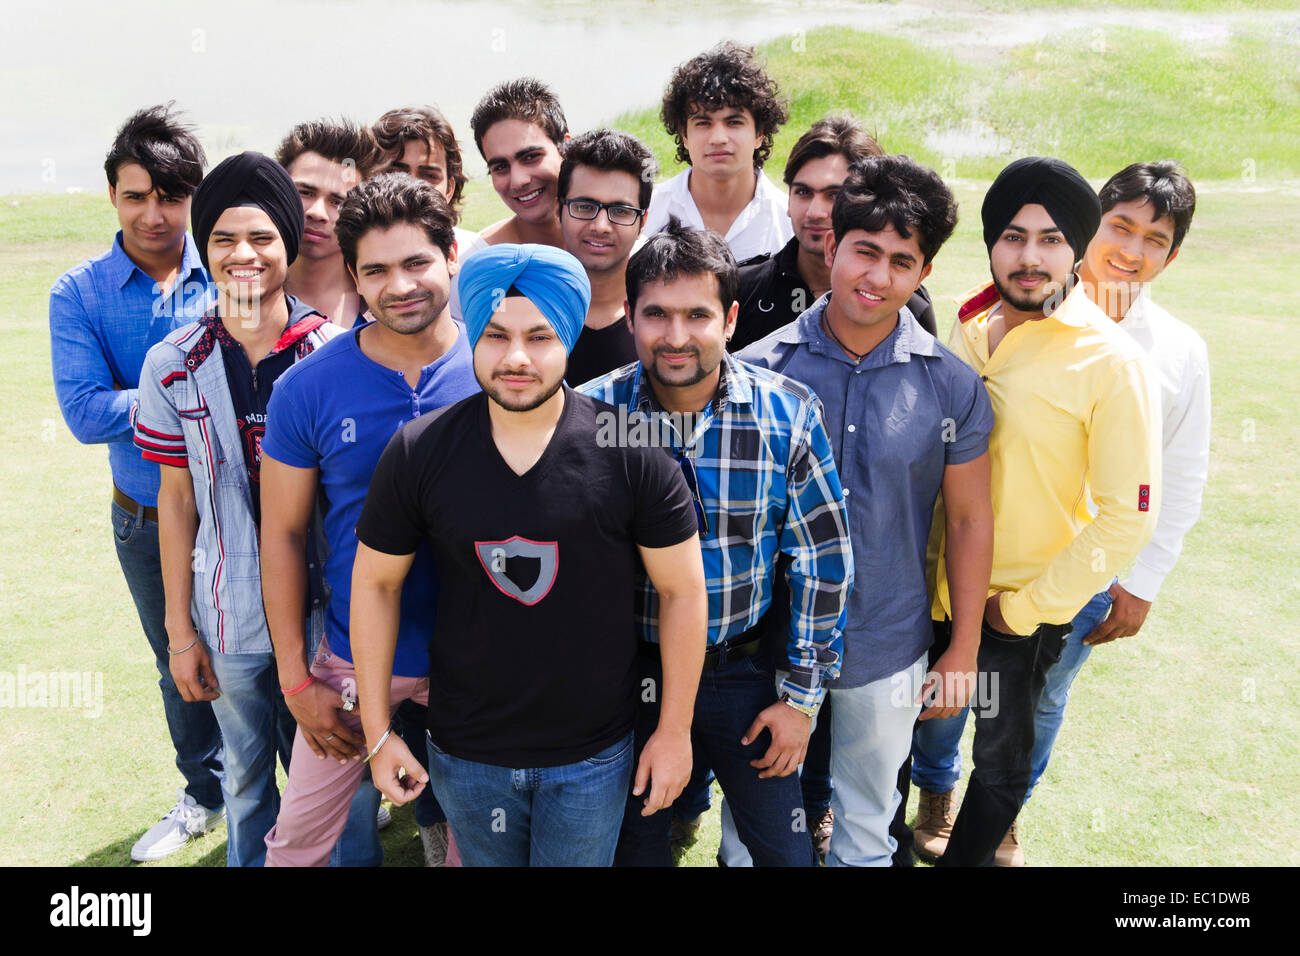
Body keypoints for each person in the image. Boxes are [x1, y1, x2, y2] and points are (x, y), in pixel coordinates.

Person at [350, 244, 709, 866]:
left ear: (568, 339)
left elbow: (682, 591)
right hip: (466, 752)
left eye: (540, 336)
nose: (516, 357)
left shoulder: (633, 446)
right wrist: (380, 732)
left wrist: (674, 732)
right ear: (472, 339)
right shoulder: (418, 451)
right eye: (496, 335)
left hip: (594, 755)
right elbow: (376, 586)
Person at [738, 155, 993, 867]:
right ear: (831, 245)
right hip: (770, 645)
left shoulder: (952, 386)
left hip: (888, 642)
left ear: (923, 275)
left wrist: (963, 651)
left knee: (867, 824)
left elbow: (971, 522)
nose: (877, 277)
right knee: (753, 829)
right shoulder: (760, 369)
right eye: (865, 251)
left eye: (901, 261)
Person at [910, 156, 1160, 867]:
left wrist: (1019, 610)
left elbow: (1126, 515)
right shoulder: (961, 324)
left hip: (1014, 608)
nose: (1030, 257)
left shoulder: (1109, 361)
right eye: (1014, 236)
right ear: (991, 243)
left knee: (1002, 762)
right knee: (897, 737)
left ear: (1077, 248)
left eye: (1052, 239)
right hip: (918, 590)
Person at [581, 218, 852, 867]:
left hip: (743, 674)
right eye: (657, 315)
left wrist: (801, 701)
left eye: (697, 315)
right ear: (629, 315)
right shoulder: (589, 418)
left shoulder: (788, 414)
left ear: (730, 318)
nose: (677, 338)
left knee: (784, 853)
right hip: (627, 681)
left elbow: (823, 565)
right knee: (635, 851)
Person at [133, 151, 345, 866]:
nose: (242, 255)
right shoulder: (173, 363)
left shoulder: (333, 355)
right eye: (222, 239)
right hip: (227, 611)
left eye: (261, 237)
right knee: (249, 781)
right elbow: (177, 499)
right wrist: (178, 630)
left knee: (342, 778)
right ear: (203, 248)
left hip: (326, 612)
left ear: (289, 242)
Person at [261, 172, 479, 867]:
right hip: (352, 662)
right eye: (377, 270)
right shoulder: (307, 386)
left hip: (480, 661)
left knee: (478, 844)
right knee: (295, 846)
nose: (401, 285)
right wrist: (297, 681)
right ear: (353, 275)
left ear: (451, 255)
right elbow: (284, 534)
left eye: (417, 262)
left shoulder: (501, 367)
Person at [49, 104, 225, 863]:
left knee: (280, 649)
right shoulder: (77, 293)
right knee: (178, 655)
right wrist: (190, 386)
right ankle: (206, 794)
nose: (154, 214)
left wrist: (151, 392)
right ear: (113, 197)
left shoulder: (231, 265)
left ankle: (316, 788)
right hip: (146, 514)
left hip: (237, 505)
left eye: (171, 195)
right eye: (135, 195)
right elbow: (87, 415)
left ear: (193, 195)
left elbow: (259, 374)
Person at [1025, 161, 1209, 813]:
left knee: (1044, 697)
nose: (1131, 251)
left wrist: (1146, 581)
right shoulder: (1023, 308)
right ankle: (935, 791)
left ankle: (1002, 817)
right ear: (1088, 225)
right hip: (992, 551)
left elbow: (1182, 474)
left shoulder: (1180, 352)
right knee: (951, 691)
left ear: (1173, 254)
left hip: (1092, 573)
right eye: (1120, 227)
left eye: (1154, 240)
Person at [731, 115, 938, 351]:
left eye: (834, 195)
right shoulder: (741, 291)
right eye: (803, 192)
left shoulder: (907, 303)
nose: (815, 212)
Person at [643, 41, 791, 262]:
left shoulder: (789, 221)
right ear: (684, 134)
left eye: (733, 122)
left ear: (760, 133)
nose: (718, 139)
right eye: (703, 123)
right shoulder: (649, 213)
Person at [372, 105, 484, 326]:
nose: (411, 186)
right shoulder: (343, 254)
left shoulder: (476, 261)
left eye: (429, 176)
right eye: (395, 173)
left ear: (450, 188)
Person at [559, 128, 654, 385]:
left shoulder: (663, 317)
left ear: (642, 221)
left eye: (620, 211)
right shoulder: (525, 310)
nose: (601, 225)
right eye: (585, 207)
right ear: (560, 209)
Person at [275, 120, 379, 326]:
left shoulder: (385, 312)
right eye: (305, 193)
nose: (317, 213)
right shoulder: (238, 306)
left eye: (337, 202)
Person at [469, 78, 569, 248]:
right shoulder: (478, 260)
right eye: (500, 167)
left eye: (530, 157)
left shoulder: (622, 239)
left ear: (566, 146)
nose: (518, 181)